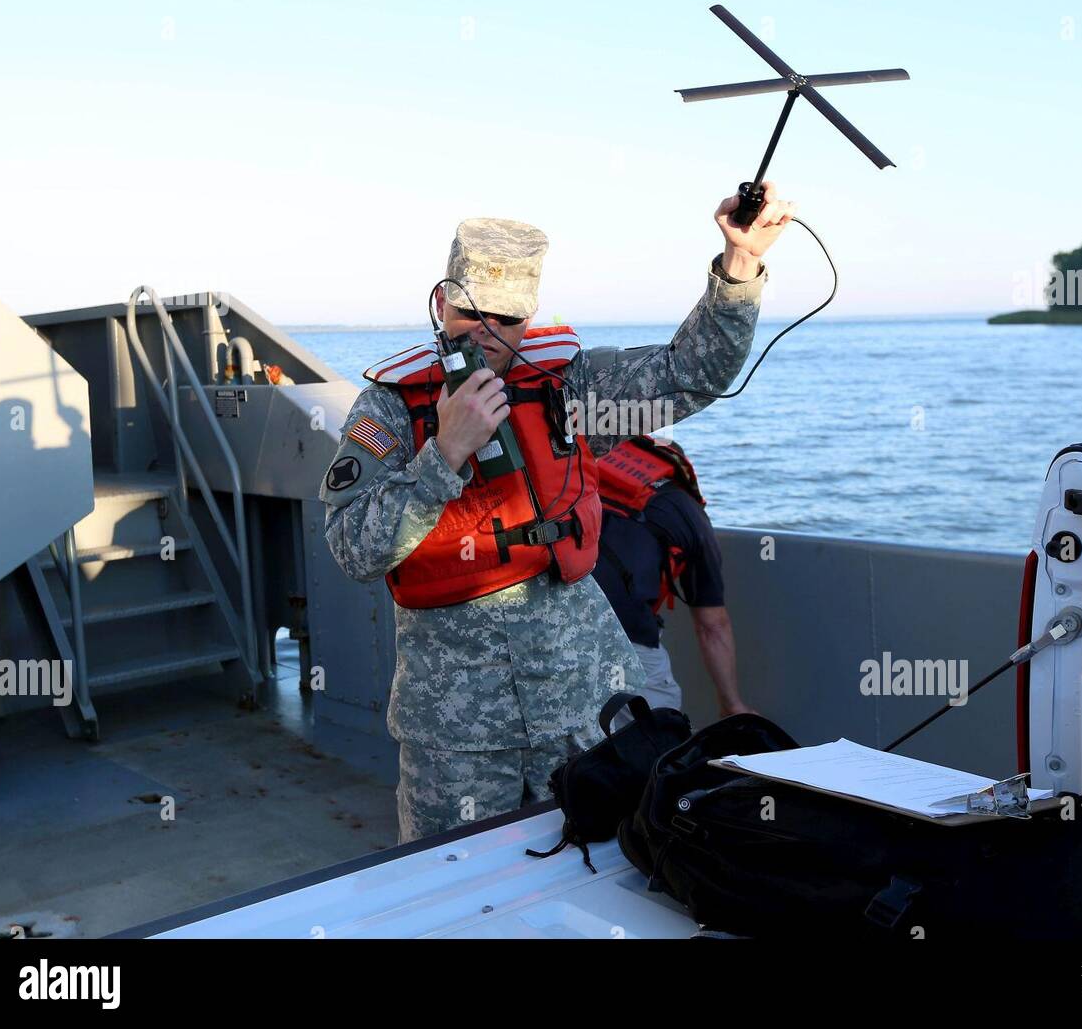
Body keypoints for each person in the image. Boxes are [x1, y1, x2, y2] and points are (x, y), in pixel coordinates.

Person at [319, 183, 795, 843]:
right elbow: (353, 549)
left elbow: (690, 374)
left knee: (595, 877)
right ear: (440, 302)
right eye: (471, 311)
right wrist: (444, 453)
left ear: (531, 316)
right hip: (456, 736)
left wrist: (738, 267)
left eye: (507, 320)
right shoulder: (390, 410)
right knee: (453, 897)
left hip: (580, 710)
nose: (486, 335)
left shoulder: (569, 392)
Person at [592, 434, 754, 721]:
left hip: (553, 626)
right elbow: (712, 626)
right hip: (626, 637)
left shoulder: (583, 480)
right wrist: (732, 705)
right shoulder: (689, 514)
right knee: (659, 731)